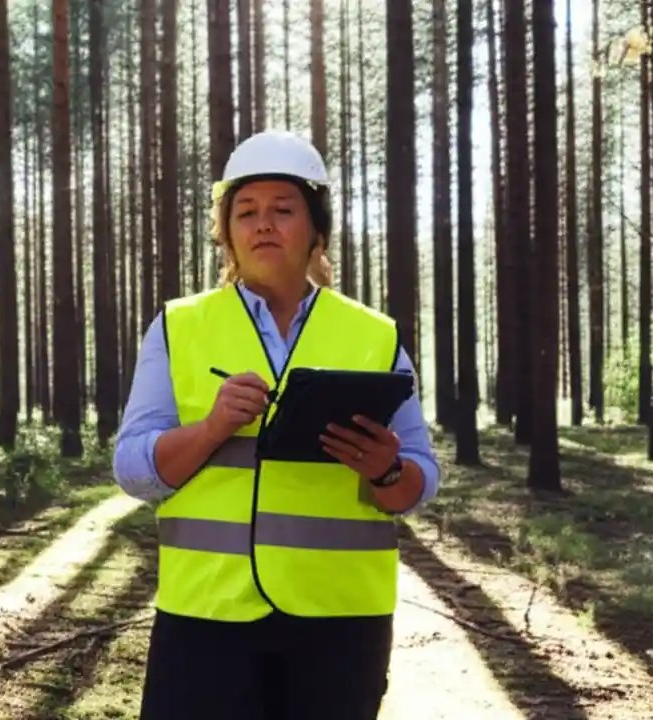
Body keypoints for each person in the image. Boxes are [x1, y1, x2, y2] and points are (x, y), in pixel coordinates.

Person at [113, 130, 440, 720]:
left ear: (316, 230)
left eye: (283, 210)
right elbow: (132, 468)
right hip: (206, 619)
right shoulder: (178, 326)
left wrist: (386, 469)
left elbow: (420, 481)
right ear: (227, 232)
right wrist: (211, 428)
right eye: (246, 211)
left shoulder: (375, 336)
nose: (263, 224)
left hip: (341, 627)